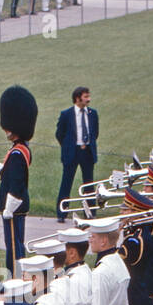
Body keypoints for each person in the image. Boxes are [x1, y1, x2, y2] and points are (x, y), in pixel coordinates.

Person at [0, 85, 37, 272]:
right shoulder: (19, 150)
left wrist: (8, 208)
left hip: (13, 210)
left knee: (14, 249)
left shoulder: (17, 154)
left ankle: (17, 281)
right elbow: (5, 173)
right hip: (14, 209)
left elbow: (16, 185)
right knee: (14, 245)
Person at [54, 86, 98, 223]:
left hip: (87, 153)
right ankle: (62, 213)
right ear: (78, 98)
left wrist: (87, 143)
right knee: (66, 182)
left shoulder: (92, 113)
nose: (88, 99)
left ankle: (90, 212)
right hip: (72, 153)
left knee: (88, 184)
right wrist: (68, 146)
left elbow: (95, 133)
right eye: (86, 97)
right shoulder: (66, 114)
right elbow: (59, 134)